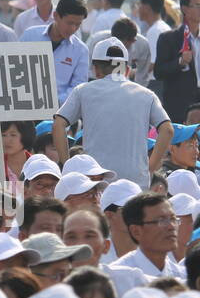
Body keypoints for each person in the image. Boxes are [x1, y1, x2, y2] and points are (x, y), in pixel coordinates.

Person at [52, 38, 171, 189]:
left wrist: (67, 165)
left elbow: (58, 125)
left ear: (95, 68)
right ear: (126, 69)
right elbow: (167, 129)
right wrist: (150, 168)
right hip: (135, 182)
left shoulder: (83, 91)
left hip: (96, 180)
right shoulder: (147, 94)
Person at [19, 0, 91, 105]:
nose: (73, 28)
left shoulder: (81, 50)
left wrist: (54, 102)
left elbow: (78, 87)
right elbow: (14, 70)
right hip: (24, 106)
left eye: (78, 24)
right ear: (56, 16)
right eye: (69, 23)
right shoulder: (30, 36)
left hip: (58, 114)